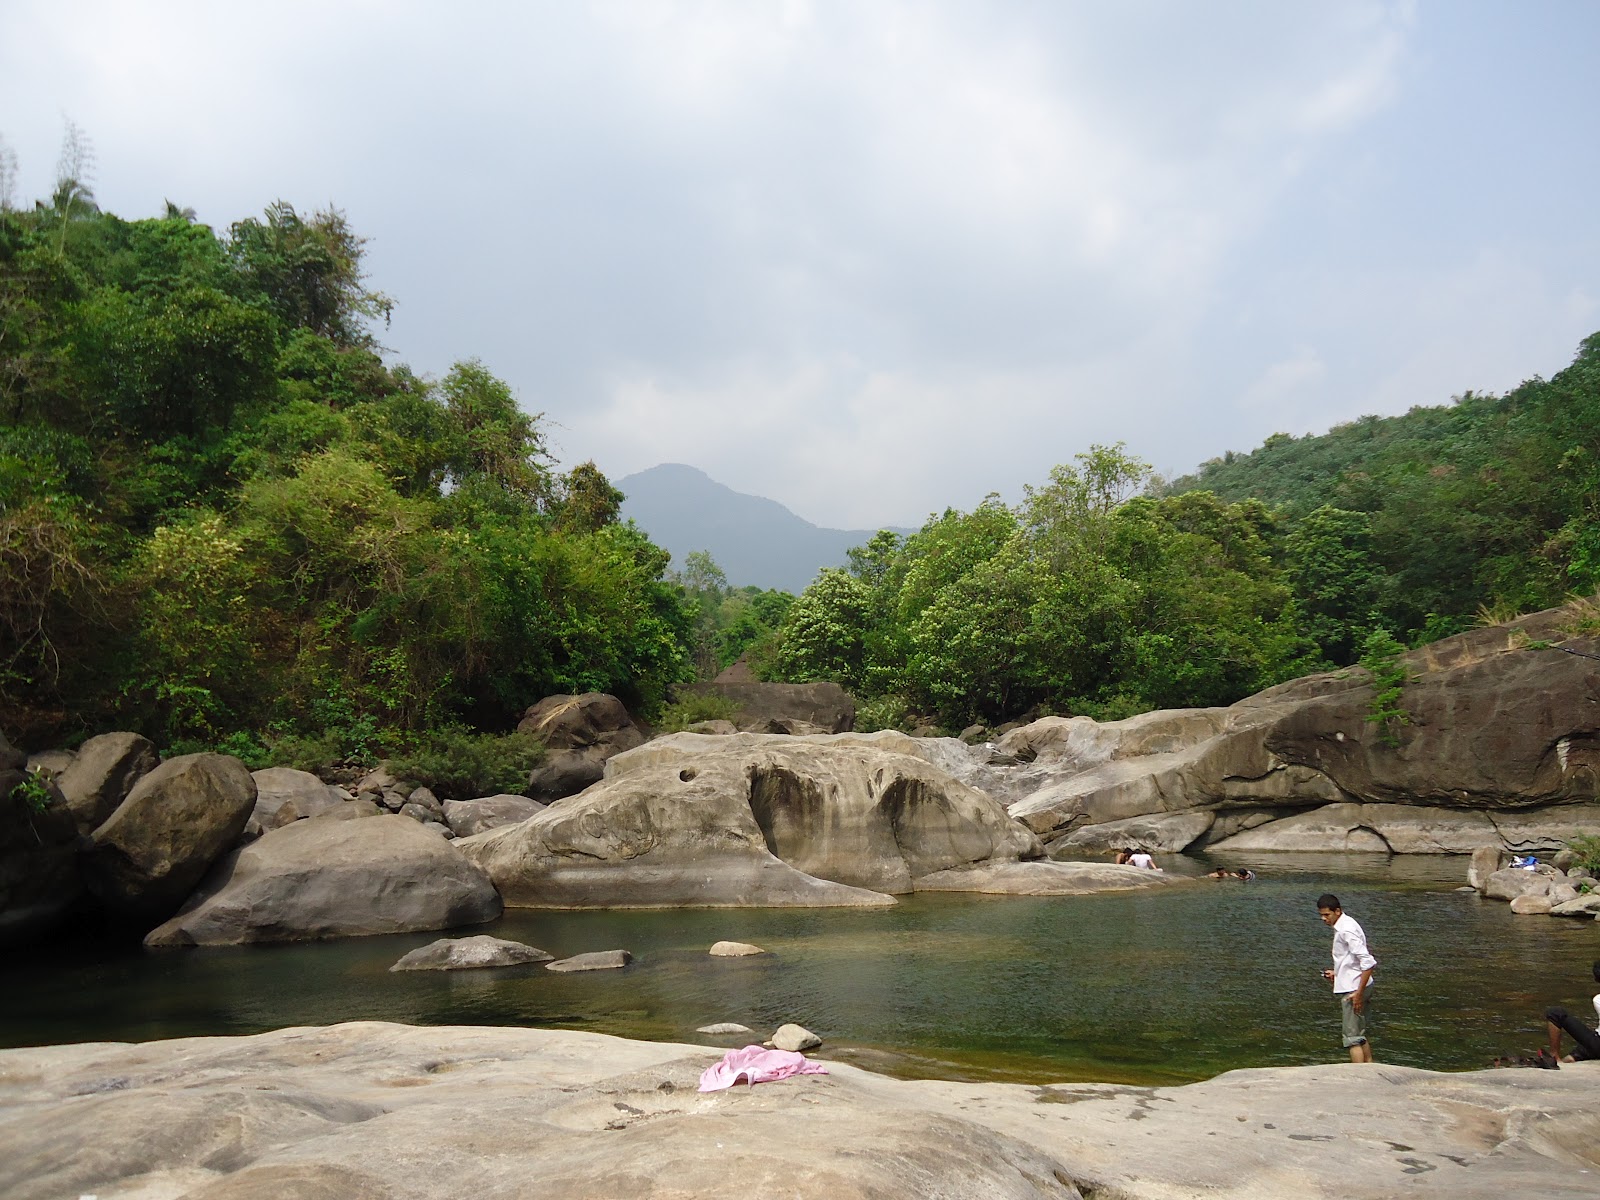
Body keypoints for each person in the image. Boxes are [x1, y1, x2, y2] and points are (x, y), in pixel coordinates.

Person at [1317, 893, 1377, 1063]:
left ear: (1337, 911)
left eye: (1327, 915)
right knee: (1359, 1034)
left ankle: (1358, 1078)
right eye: (1321, 915)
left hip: (1354, 988)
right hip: (1358, 983)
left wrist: (1358, 994)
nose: (1323, 919)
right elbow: (1352, 959)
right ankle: (1370, 1069)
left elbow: (1368, 962)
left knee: (1352, 1038)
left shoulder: (1346, 930)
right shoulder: (1347, 924)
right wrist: (1337, 973)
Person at [1543, 960, 1600, 1065]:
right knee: (1578, 1052)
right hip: (1595, 1043)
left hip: (1598, 1045)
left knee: (1555, 1013)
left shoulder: (1598, 999)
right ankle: (1573, 1058)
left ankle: (1554, 1057)